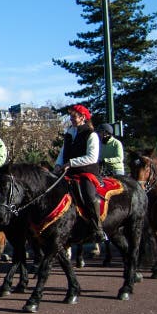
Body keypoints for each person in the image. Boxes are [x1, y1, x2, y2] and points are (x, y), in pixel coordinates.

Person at [54, 104, 106, 242]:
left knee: (89, 196)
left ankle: (97, 228)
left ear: (83, 117)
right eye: (70, 116)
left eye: (74, 116)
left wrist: (71, 163)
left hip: (85, 172)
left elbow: (92, 157)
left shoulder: (91, 134)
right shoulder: (70, 133)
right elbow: (62, 152)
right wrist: (58, 165)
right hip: (68, 172)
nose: (71, 119)